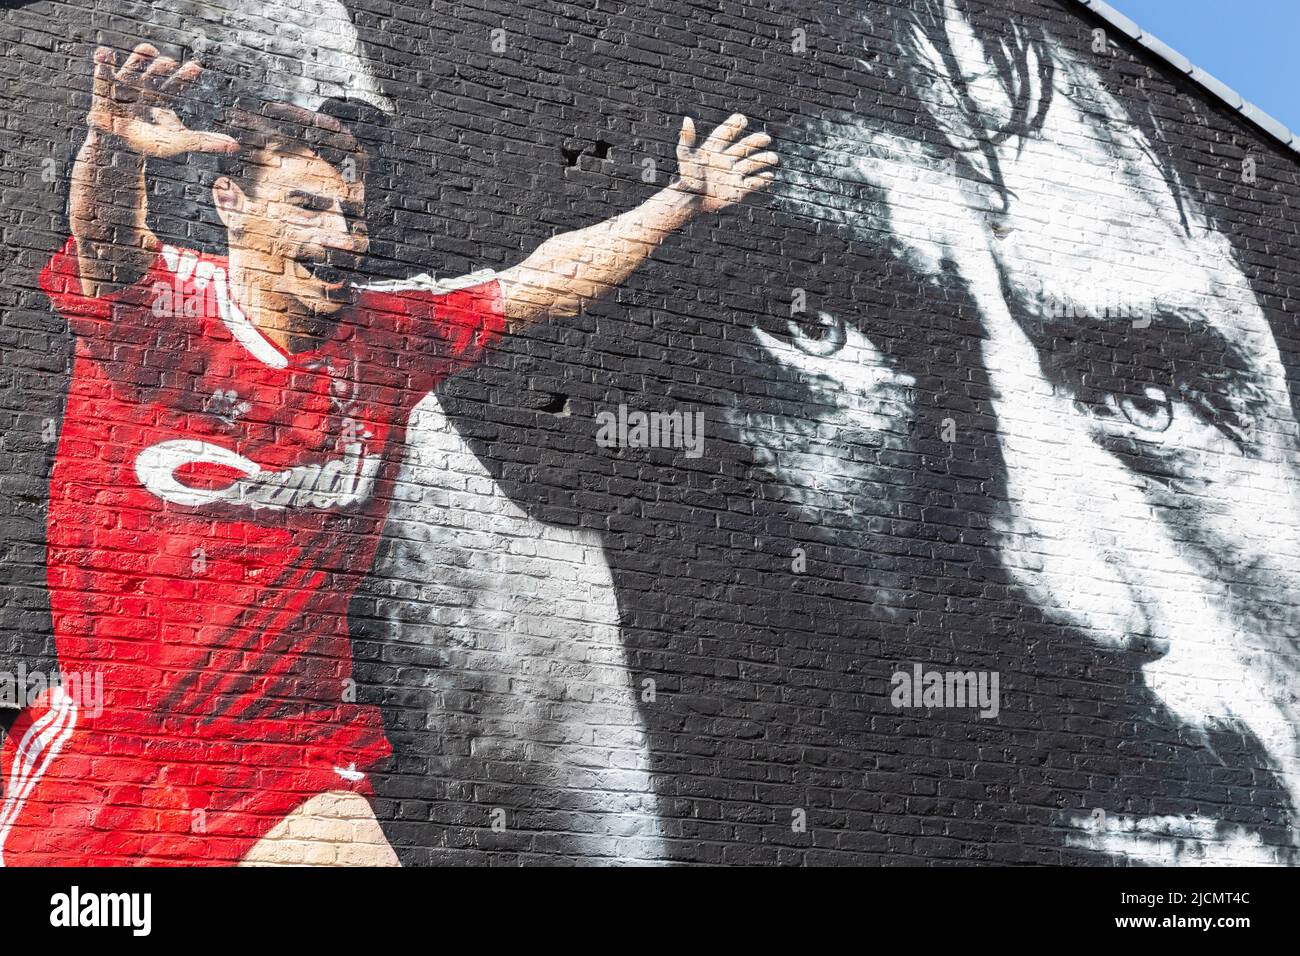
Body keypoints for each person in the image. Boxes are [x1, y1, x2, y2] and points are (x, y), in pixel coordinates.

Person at [0, 41, 778, 866]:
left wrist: (680, 199)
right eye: (307, 206)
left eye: (352, 215)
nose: (340, 236)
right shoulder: (164, 315)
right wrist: (114, 147)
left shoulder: (391, 335)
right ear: (232, 203)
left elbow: (547, 279)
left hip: (286, 757)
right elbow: (109, 241)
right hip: (115, 757)